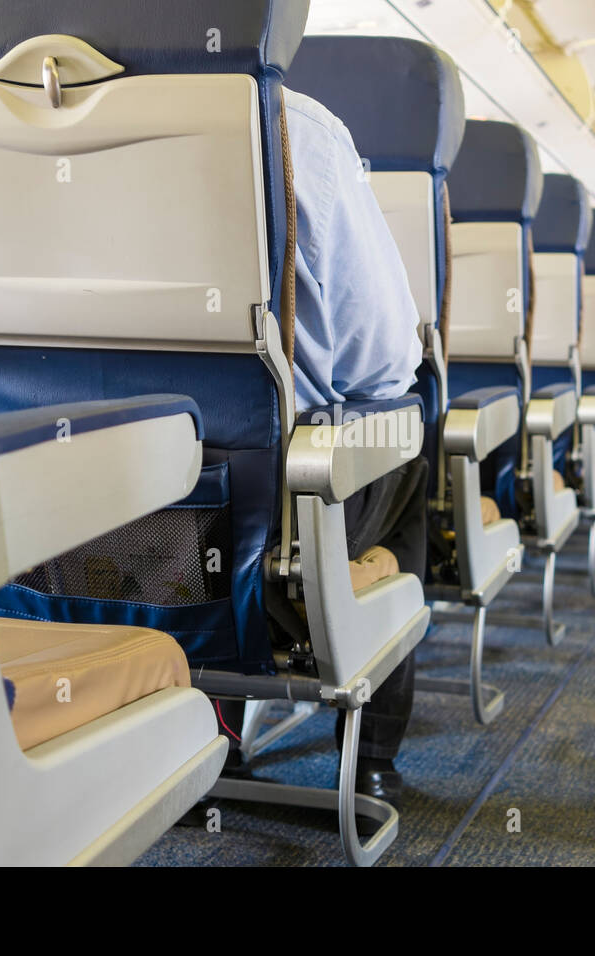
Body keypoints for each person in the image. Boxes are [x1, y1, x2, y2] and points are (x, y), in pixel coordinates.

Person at [215, 89, 427, 805]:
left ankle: (218, 742)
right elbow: (385, 359)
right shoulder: (294, 130)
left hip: (39, 520)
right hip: (256, 517)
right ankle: (368, 759)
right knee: (408, 445)